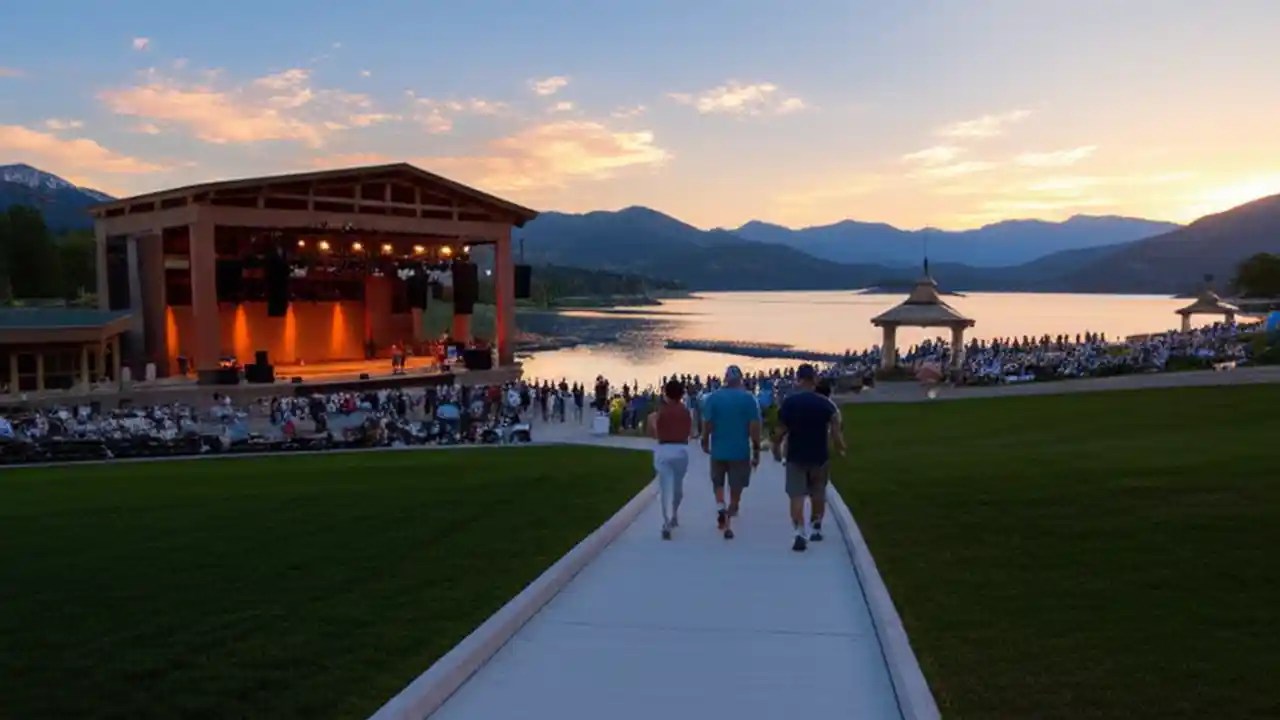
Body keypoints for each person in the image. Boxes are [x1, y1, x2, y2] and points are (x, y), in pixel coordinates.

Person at [774, 364, 846, 552]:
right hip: (819, 456)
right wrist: (840, 448)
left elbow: (780, 431)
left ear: (798, 380)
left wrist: (775, 447)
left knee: (796, 495)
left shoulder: (789, 403)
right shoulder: (826, 404)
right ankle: (816, 526)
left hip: (796, 456)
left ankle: (799, 531)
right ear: (814, 380)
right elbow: (836, 430)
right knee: (818, 492)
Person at [701, 365, 761, 540]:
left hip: (719, 449)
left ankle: (721, 505)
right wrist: (756, 448)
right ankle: (732, 507)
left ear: (725, 379)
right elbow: (754, 427)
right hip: (740, 450)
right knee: (737, 483)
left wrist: (705, 441)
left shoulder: (713, 398)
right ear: (741, 380)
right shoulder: (749, 399)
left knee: (718, 481)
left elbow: (708, 423)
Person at [648, 379, 692, 540]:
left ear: (666, 393)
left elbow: (655, 434)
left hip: (664, 450)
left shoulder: (660, 413)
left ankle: (667, 522)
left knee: (665, 487)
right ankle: (674, 514)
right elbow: (689, 432)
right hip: (681, 450)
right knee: (677, 487)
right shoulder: (686, 412)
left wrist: (653, 423)